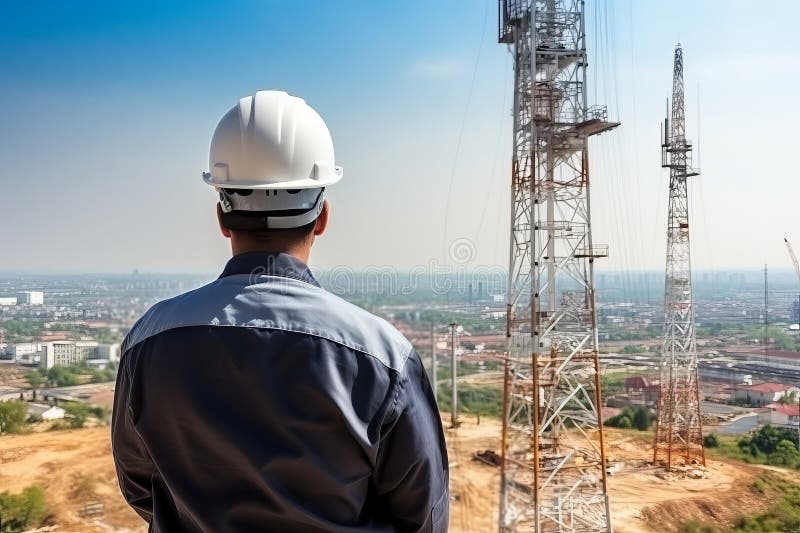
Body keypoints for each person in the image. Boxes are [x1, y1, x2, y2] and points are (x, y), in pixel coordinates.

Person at [111, 90, 449, 532]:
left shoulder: (149, 341)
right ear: (323, 217)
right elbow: (422, 516)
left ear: (221, 217)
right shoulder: (383, 358)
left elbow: (140, 483)